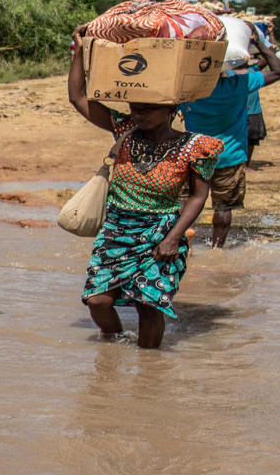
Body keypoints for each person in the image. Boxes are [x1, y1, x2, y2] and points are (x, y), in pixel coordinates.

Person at [69, 26, 223, 349]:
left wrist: (173, 238)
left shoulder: (196, 146)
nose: (138, 114)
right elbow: (78, 98)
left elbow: (198, 197)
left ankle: (149, 369)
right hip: (116, 228)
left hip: (161, 230)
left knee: (148, 305)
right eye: (135, 107)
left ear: (172, 110)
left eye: (148, 108)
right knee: (97, 300)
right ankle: (112, 346)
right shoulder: (124, 129)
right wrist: (79, 50)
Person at [179, 22, 280, 248]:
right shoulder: (239, 84)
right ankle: (218, 249)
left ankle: (181, 242)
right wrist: (259, 42)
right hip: (230, 156)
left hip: (193, 155)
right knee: (224, 207)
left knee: (186, 202)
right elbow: (279, 71)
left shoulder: (188, 87)